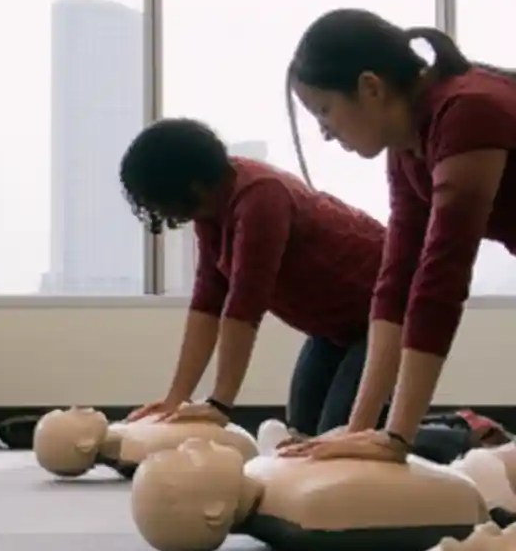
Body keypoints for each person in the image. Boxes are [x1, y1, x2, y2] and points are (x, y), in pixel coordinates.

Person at [119, 118, 476, 463]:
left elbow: (244, 307)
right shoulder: (210, 210)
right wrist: (176, 400)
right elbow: (207, 304)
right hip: (332, 329)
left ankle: (465, 432)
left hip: (384, 318)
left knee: (340, 440)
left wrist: (219, 404)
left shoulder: (259, 197)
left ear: (188, 185)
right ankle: (435, 429)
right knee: (302, 439)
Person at [281, 8, 516, 464]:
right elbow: (396, 284)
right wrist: (358, 430)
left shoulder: (467, 111)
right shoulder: (407, 146)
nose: (325, 133)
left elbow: (441, 278)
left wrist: (397, 439)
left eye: (325, 110)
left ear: (371, 87)